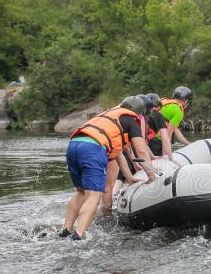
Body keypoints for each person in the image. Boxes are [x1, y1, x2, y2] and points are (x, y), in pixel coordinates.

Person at [60, 96, 156, 240]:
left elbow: (118, 153)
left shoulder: (109, 117)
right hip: (93, 149)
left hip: (74, 145)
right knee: (94, 196)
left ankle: (66, 229)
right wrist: (151, 176)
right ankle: (78, 236)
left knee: (81, 191)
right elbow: (141, 150)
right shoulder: (131, 121)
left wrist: (129, 177)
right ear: (139, 112)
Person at [144, 93, 174, 160]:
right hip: (151, 146)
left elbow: (143, 140)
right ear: (158, 105)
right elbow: (165, 139)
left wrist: (151, 156)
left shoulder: (141, 116)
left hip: (141, 146)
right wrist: (170, 158)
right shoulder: (158, 115)